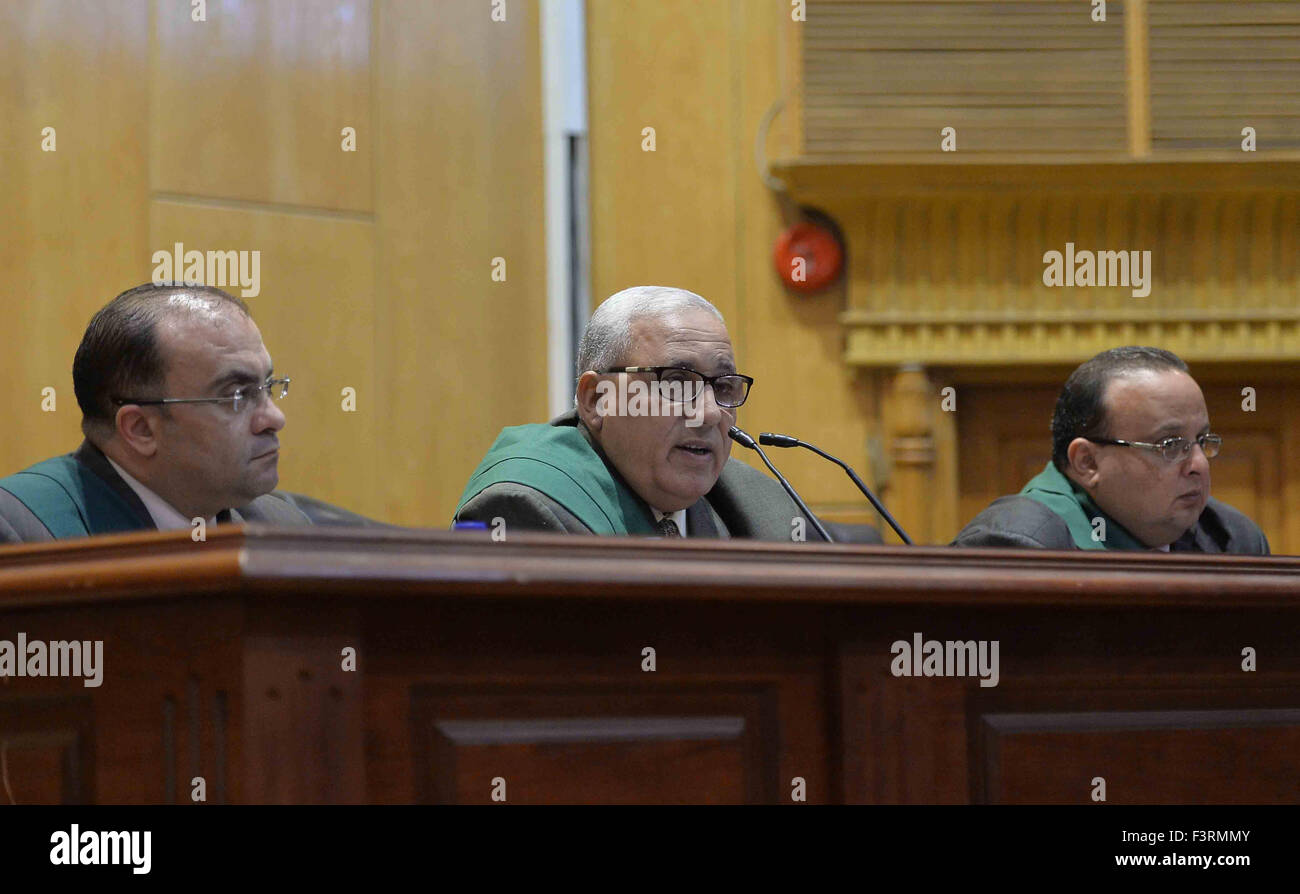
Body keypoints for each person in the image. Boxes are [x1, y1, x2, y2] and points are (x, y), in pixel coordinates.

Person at [455, 286, 878, 542]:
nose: (710, 413)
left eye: (724, 387)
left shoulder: (743, 502)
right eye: (676, 382)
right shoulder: (528, 507)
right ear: (598, 399)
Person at [0, 282, 371, 543]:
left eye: (269, 387)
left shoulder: (279, 527)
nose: (274, 418)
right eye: (238, 395)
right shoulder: (24, 531)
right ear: (141, 429)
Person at [953, 346, 1268, 553]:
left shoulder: (1233, 539)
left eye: (1202, 441)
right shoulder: (1018, 548)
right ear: (1088, 462)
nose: (1199, 464)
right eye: (1170, 445)